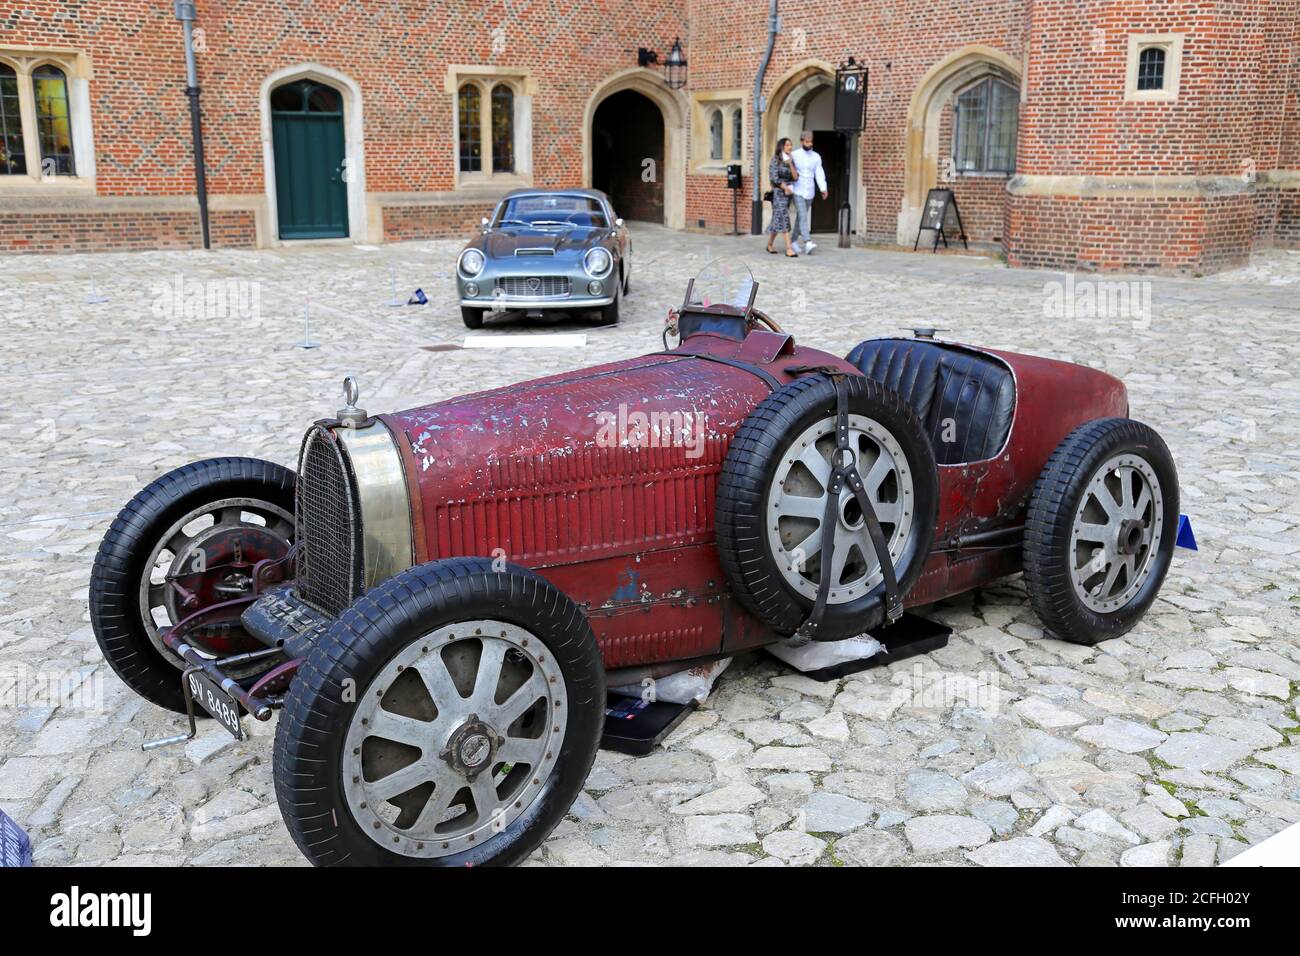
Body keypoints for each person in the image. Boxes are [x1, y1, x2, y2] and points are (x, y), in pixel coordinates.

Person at [790, 130, 828, 254]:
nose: (809, 144)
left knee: (801, 217)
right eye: (807, 141)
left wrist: (823, 188)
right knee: (803, 215)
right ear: (801, 141)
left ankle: (793, 241)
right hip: (797, 190)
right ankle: (807, 242)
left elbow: (819, 173)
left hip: (810, 191)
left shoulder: (816, 156)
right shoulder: (794, 155)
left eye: (811, 141)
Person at [766, 138, 799, 257]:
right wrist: (785, 188)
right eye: (788, 145)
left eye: (791, 144)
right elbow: (774, 178)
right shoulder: (775, 160)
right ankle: (789, 248)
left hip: (789, 193)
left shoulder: (791, 160)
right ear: (782, 147)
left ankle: (769, 244)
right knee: (784, 217)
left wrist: (790, 164)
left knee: (777, 218)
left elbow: (795, 177)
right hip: (779, 192)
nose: (790, 147)